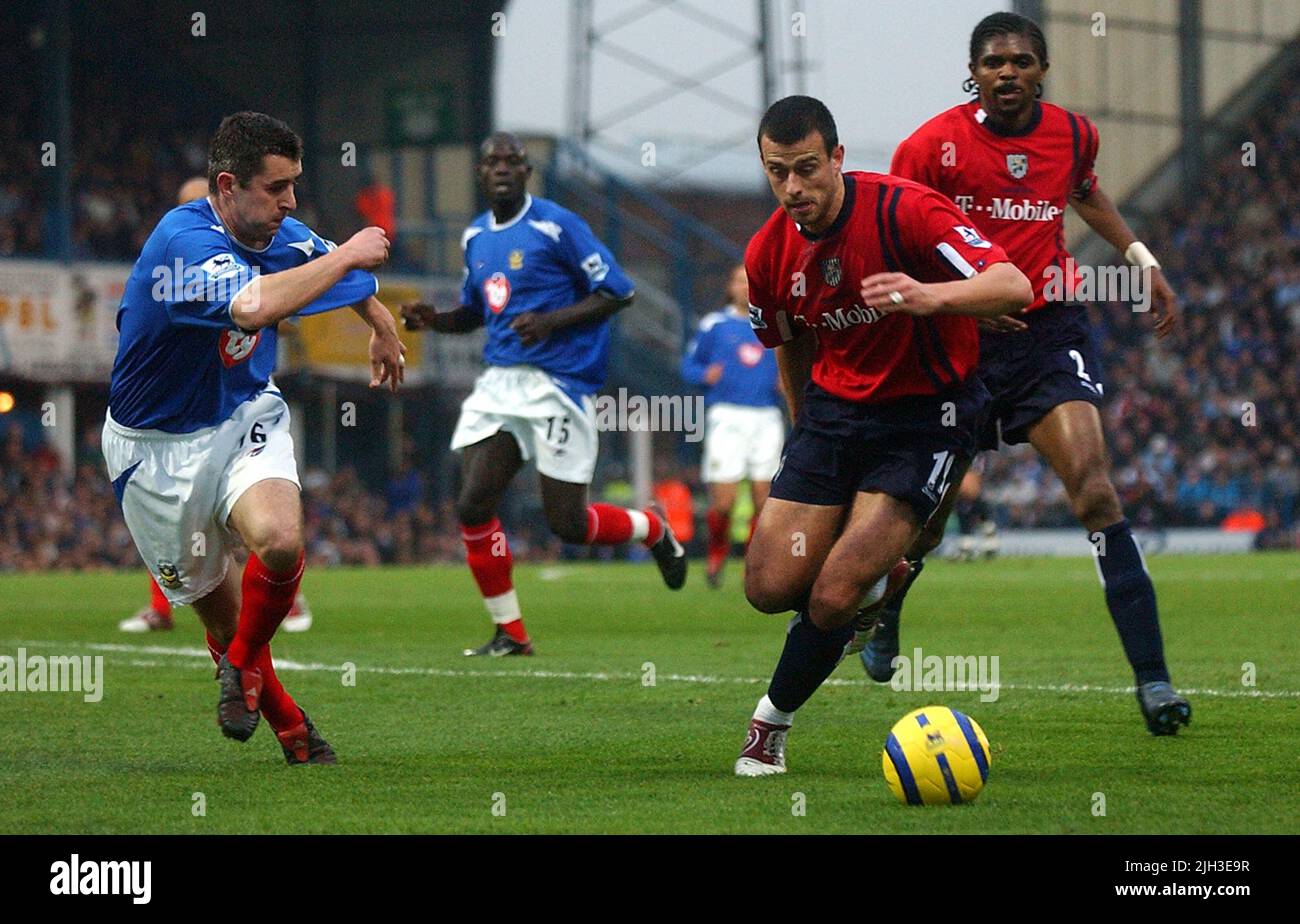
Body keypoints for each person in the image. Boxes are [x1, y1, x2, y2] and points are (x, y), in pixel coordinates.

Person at [860, 11, 1191, 736]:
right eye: (993, 61)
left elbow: (1086, 192)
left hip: (1047, 331)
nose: (1007, 72)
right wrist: (961, 308)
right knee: (930, 520)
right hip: (959, 341)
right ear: (972, 72)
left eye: (1020, 60)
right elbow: (895, 233)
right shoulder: (930, 146)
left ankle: (1155, 681)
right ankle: (888, 612)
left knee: (1096, 492)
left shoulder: (1073, 135)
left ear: (1042, 70)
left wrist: (1143, 261)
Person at [734, 96, 1032, 775]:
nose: (794, 188)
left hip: (928, 416)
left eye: (807, 168)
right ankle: (884, 578)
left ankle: (769, 725)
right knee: (767, 586)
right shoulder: (768, 253)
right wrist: (803, 432)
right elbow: (790, 344)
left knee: (833, 593)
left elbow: (1011, 283)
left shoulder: (907, 210)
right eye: (777, 172)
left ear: (837, 158)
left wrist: (935, 296)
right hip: (834, 418)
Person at [102, 112, 405, 764]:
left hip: (243, 415)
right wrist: (353, 252)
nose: (290, 202)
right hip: (153, 452)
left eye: (294, 184)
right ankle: (292, 727)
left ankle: (241, 670)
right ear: (228, 185)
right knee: (223, 618)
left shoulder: (276, 230)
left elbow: (329, 265)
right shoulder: (181, 244)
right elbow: (255, 306)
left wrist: (379, 320)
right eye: (277, 188)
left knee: (280, 539)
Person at [401, 132, 686, 657]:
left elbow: (618, 291)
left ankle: (650, 528)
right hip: (502, 385)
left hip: (559, 385)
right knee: (472, 503)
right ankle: (510, 632)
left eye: (513, 161)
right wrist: (433, 320)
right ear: (481, 174)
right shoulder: (475, 237)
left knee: (568, 524)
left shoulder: (556, 225)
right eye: (493, 161)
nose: (503, 168)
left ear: (527, 173)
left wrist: (551, 321)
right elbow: (474, 314)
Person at [119, 175, 312, 634]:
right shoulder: (180, 256)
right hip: (175, 425)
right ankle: (166, 611)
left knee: (264, 524)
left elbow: (276, 304)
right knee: (174, 524)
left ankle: (291, 599)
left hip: (240, 406)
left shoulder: (256, 253)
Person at [681, 264, 783, 588]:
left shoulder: (776, 324)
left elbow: (794, 359)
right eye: (740, 281)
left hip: (766, 417)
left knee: (763, 500)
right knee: (723, 503)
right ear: (730, 287)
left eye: (751, 282)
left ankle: (753, 564)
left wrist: (786, 380)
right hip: (726, 416)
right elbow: (688, 364)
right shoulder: (716, 324)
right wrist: (702, 375)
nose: (746, 287)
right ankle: (717, 551)